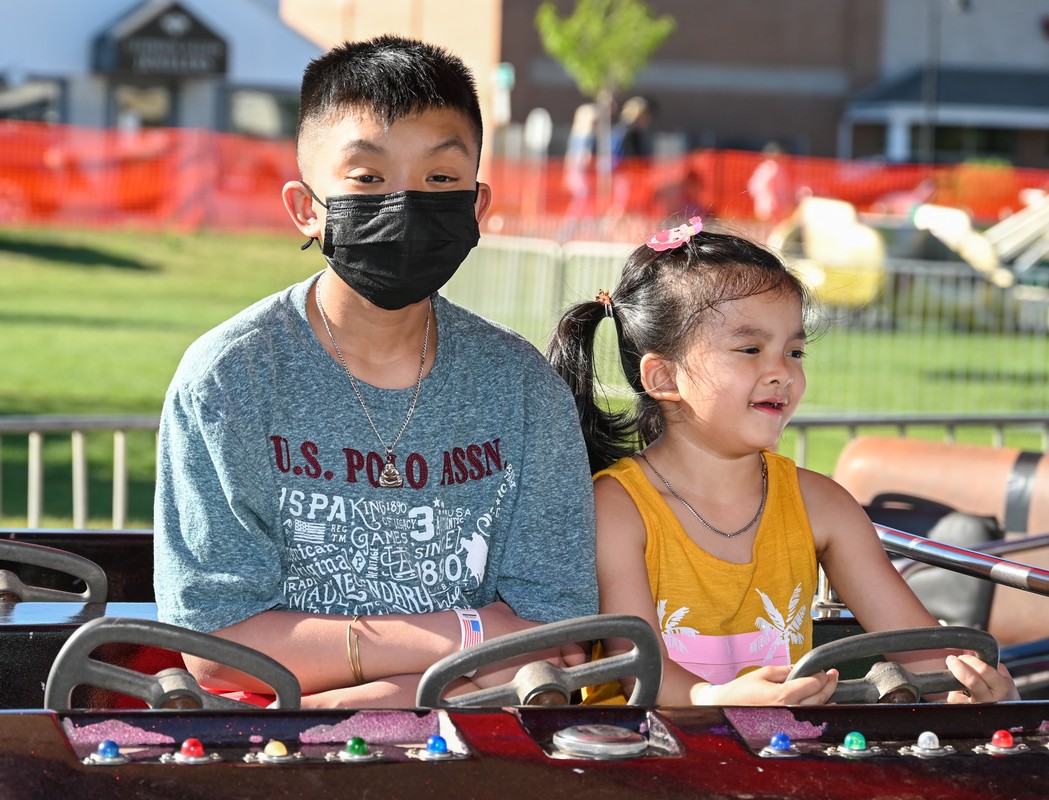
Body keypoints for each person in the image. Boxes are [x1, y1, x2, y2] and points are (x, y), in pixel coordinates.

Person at [153, 35, 597, 708]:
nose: (409, 203)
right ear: (306, 207)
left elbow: (553, 640)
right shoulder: (228, 380)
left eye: (440, 180)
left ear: (476, 210)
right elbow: (218, 649)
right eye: (367, 179)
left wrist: (353, 701)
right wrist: (462, 637)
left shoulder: (523, 389)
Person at [546, 216, 1018, 706]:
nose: (782, 373)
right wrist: (721, 699)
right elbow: (644, 674)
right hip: (648, 766)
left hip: (781, 762)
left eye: (794, 351)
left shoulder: (822, 503)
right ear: (664, 378)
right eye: (750, 349)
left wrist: (968, 685)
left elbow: (922, 648)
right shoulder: (618, 507)